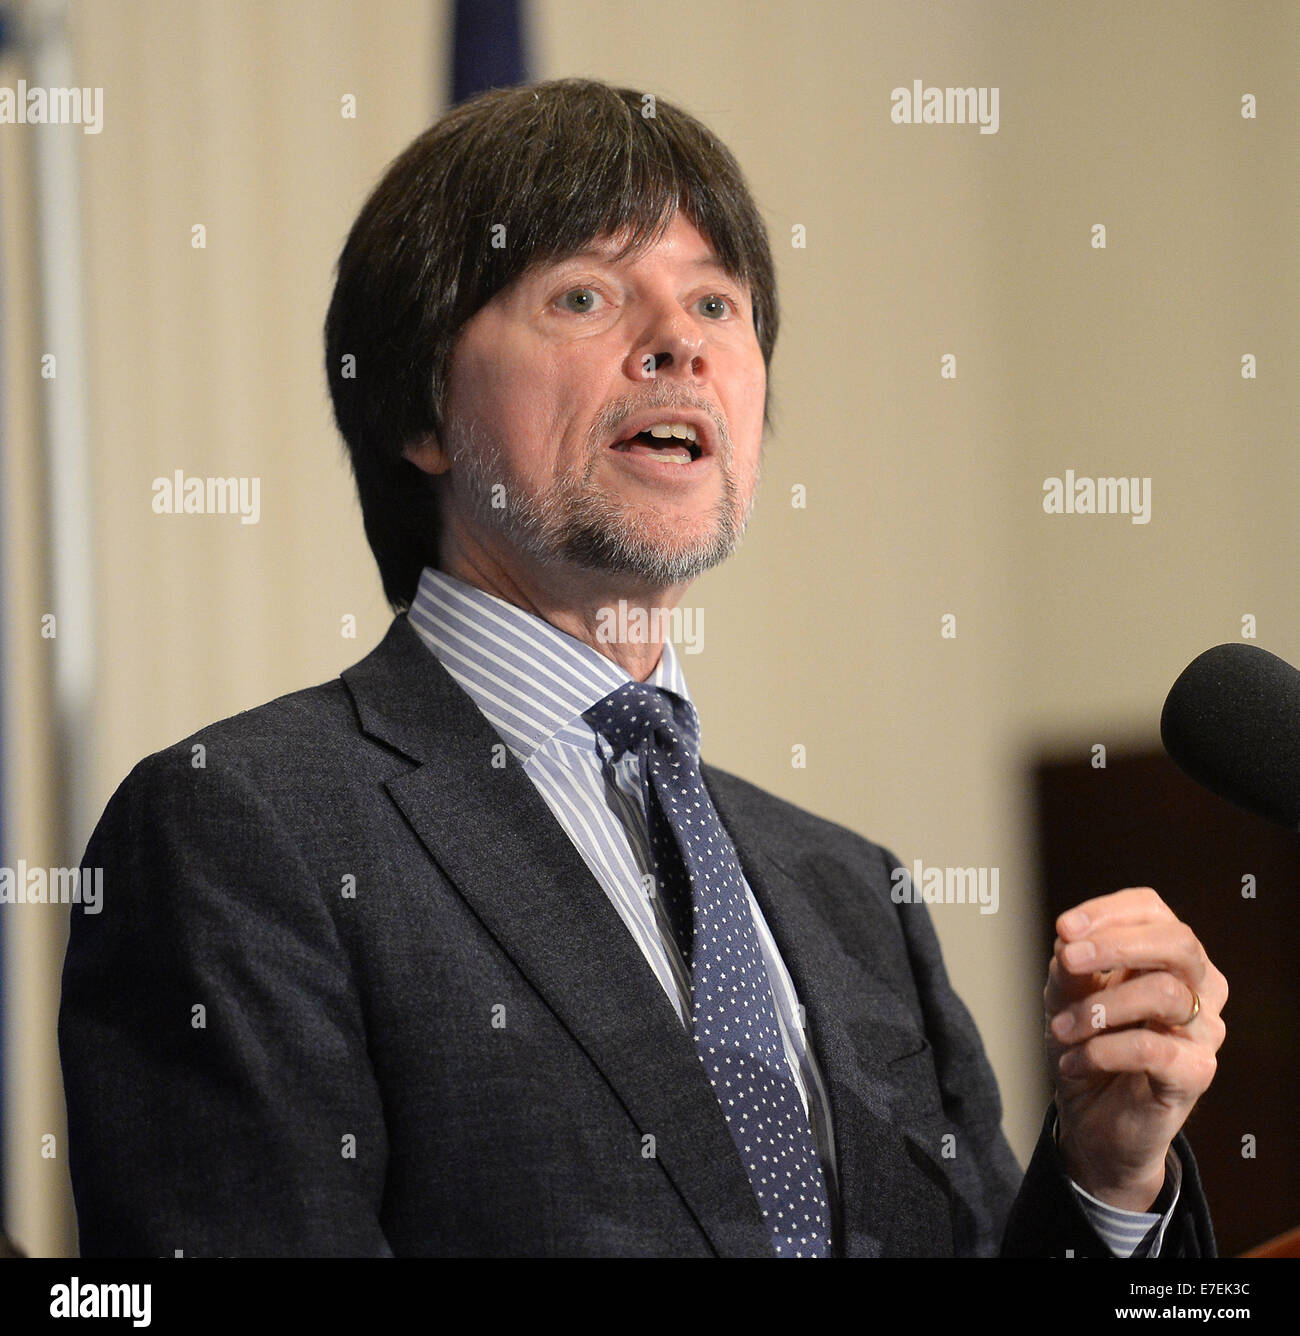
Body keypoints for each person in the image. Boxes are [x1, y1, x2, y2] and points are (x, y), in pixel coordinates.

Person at [59, 79, 1226, 1258]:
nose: (680, 341)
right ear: (420, 410)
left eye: (718, 302)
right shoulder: (242, 828)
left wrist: (1106, 1178)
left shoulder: (849, 890)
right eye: (585, 294)